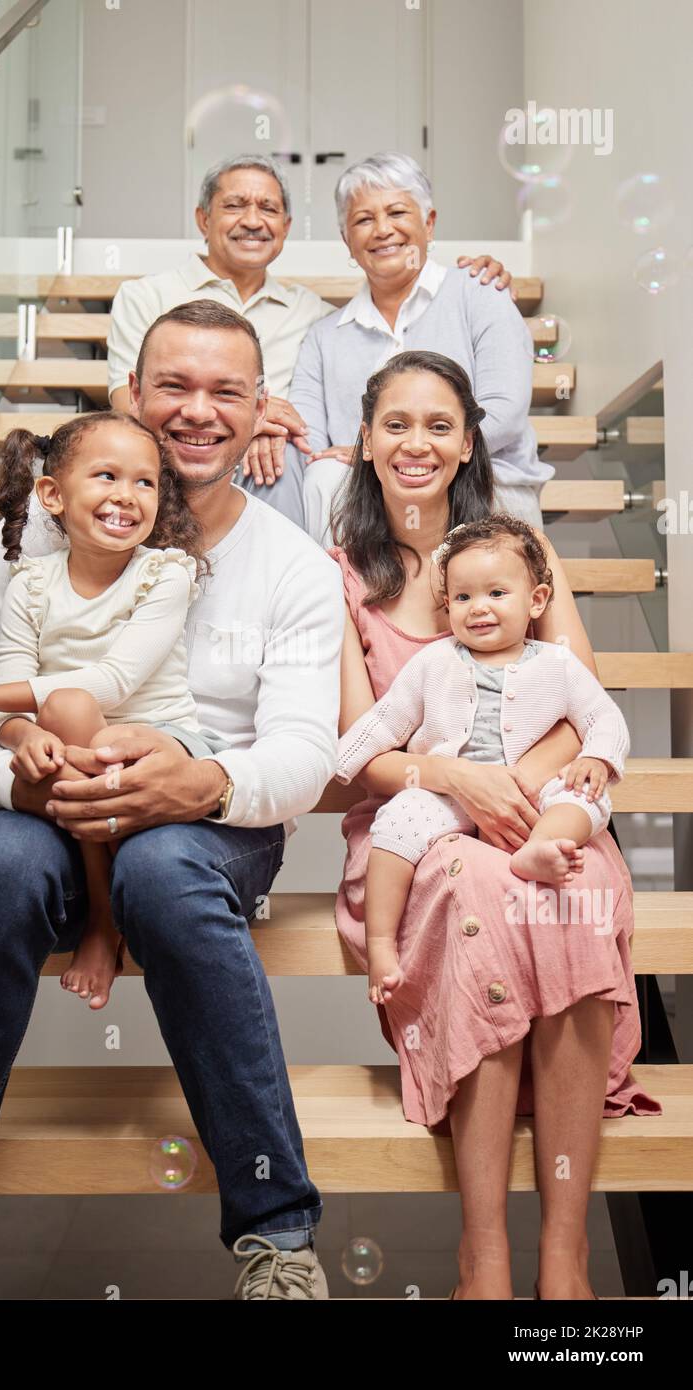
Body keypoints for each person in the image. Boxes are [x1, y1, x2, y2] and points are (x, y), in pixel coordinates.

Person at [0, 301, 344, 1302]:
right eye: (174, 385)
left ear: (261, 409)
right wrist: (27, 772)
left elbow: (303, 753)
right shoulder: (33, 540)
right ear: (130, 394)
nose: (198, 410)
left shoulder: (292, 564)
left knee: (163, 872)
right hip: (54, 805)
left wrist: (206, 781)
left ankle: (277, 1233)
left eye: (226, 391)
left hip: (209, 820)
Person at [329, 348, 660, 1300]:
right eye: (396, 424)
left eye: (440, 425)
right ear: (365, 442)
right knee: (479, 888)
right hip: (416, 822)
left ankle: (565, 1247)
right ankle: (484, 1249)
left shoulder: (523, 554)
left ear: (469, 442)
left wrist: (514, 789)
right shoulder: (341, 576)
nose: (417, 444)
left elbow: (583, 711)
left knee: (577, 887)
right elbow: (363, 752)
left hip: (540, 808)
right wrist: (453, 779)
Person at [0, 412, 230, 1010]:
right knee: (58, 720)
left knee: (68, 703)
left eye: (145, 482)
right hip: (67, 746)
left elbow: (110, 684)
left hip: (156, 742)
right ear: (52, 495)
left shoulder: (165, 573)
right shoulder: (31, 583)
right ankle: (106, 907)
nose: (127, 495)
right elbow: (11, 699)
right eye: (106, 476)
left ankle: (100, 914)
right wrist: (22, 739)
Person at [107, 152, 512, 527]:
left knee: (280, 461)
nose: (253, 221)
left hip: (271, 466)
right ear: (202, 219)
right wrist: (251, 419)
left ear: (286, 227)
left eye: (268, 209)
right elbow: (132, 404)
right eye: (234, 205)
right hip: (180, 456)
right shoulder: (146, 297)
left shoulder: (311, 312)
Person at [334, 512, 630, 1007]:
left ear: (537, 601)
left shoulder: (558, 665)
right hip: (448, 794)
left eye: (496, 593)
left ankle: (541, 847)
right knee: (396, 823)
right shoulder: (433, 663)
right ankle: (381, 943)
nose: (479, 609)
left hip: (535, 793)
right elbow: (388, 721)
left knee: (582, 801)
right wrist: (343, 759)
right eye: (463, 597)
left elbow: (603, 716)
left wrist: (598, 759)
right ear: (447, 604)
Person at [263, 152, 553, 546]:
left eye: (397, 213)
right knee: (325, 477)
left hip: (482, 483)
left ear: (428, 223)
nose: (383, 230)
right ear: (347, 240)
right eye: (364, 220)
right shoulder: (324, 336)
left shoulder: (482, 293)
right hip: (370, 496)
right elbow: (308, 437)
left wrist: (410, 454)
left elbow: (506, 411)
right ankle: (339, 588)